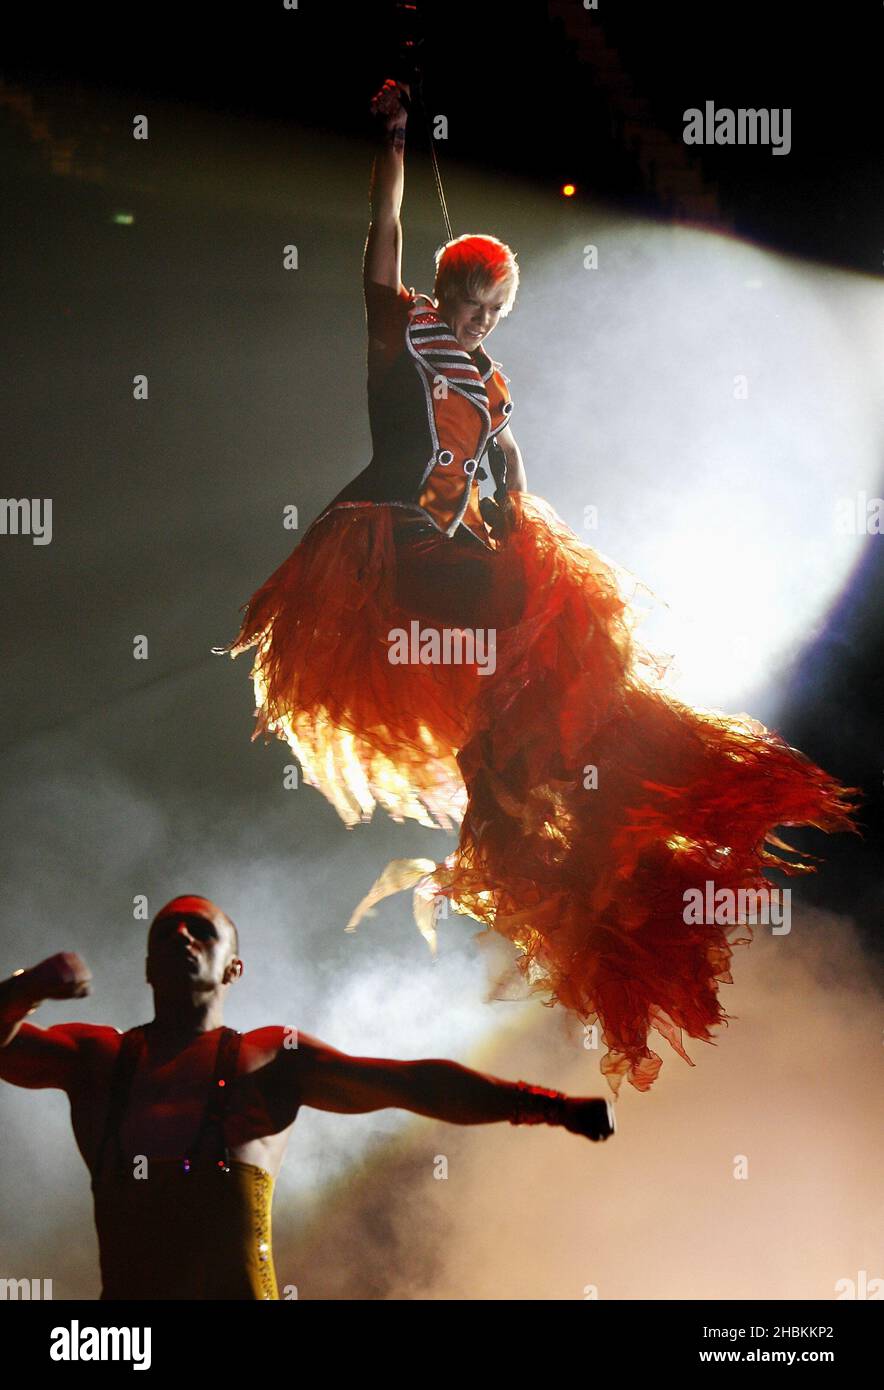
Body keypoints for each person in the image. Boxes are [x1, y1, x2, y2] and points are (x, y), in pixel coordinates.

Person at [219, 79, 860, 1095]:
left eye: (488, 305)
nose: (472, 315)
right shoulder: (403, 331)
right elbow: (377, 242)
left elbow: (505, 462)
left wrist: (512, 506)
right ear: (445, 288)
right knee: (526, 607)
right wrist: (389, 145)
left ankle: (544, 798)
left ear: (502, 310)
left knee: (545, 616)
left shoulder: (492, 378)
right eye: (463, 296)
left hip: (450, 553)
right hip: (379, 546)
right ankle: (524, 778)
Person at [0, 896, 614, 1301]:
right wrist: (27, 989)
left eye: (202, 932)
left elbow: (408, 1082)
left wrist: (547, 1105)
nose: (183, 937)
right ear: (147, 967)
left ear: (233, 969)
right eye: (167, 932)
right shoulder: (96, 1060)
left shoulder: (268, 1060)